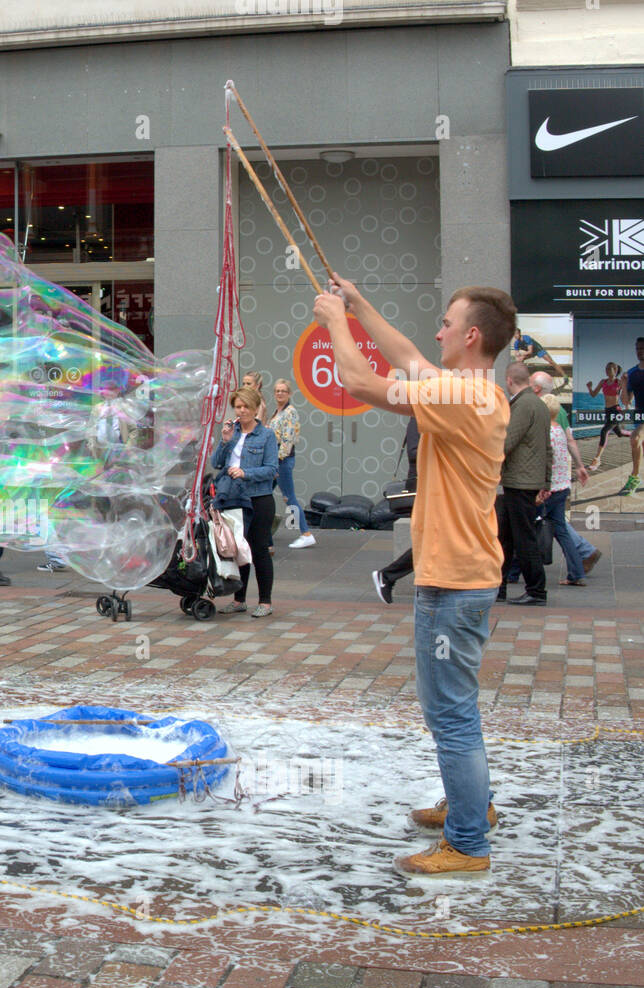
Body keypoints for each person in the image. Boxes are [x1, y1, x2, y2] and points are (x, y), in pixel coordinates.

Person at [315, 275, 511, 878]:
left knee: (450, 715)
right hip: (465, 575)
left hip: (453, 581)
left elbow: (359, 382)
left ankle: (468, 844)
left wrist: (335, 322)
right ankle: (470, 804)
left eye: (447, 323)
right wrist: (358, 303)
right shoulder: (476, 390)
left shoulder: (457, 397)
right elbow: (407, 356)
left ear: (471, 335)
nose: (438, 331)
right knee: (459, 709)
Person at [210, 386, 279, 617]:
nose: (242, 411)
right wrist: (225, 441)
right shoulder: (233, 432)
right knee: (238, 548)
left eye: (246, 406)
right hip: (233, 497)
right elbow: (217, 463)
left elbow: (271, 469)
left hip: (258, 497)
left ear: (256, 408)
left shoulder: (266, 435)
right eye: (238, 407)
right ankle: (239, 599)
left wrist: (245, 473)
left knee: (259, 549)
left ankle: (265, 601)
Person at [496, 362, 552, 606]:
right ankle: (498, 587)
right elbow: (547, 448)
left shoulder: (523, 405)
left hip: (520, 481)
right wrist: (546, 481)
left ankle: (536, 590)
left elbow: (506, 442)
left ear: (509, 380)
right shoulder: (538, 404)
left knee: (522, 538)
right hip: (527, 480)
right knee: (507, 536)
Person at [540, 394, 586, 589]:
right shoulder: (559, 430)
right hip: (562, 486)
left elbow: (545, 461)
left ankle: (515, 571)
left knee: (527, 528)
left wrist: (542, 487)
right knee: (562, 532)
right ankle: (577, 573)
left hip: (548, 489)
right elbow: (570, 443)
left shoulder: (545, 432)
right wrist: (580, 466)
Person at [371, 416, 419, 604]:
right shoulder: (419, 418)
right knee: (434, 540)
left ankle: (389, 576)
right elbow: (414, 453)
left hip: (437, 486)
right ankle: (388, 576)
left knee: (435, 541)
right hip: (423, 485)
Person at [270, 379, 314, 549]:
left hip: (282, 459)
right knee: (263, 493)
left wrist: (277, 461)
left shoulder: (290, 412)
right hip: (275, 459)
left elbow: (287, 440)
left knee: (289, 497)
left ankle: (306, 533)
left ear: (289, 393)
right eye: (277, 391)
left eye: (283, 391)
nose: (280, 393)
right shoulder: (277, 411)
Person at [586, 362, 629, 472]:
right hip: (607, 411)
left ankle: (597, 459)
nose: (607, 371)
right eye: (606, 369)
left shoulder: (619, 382)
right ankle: (635, 435)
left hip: (616, 411)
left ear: (615, 370)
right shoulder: (603, 382)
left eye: (609, 369)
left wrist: (627, 407)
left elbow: (626, 396)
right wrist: (589, 387)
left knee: (604, 431)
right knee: (619, 433)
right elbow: (593, 394)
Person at [622, 336, 644, 497]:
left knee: (635, 438)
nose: (639, 352)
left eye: (642, 348)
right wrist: (624, 385)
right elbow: (626, 401)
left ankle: (634, 477)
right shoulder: (632, 373)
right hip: (639, 415)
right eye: (637, 349)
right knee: (639, 445)